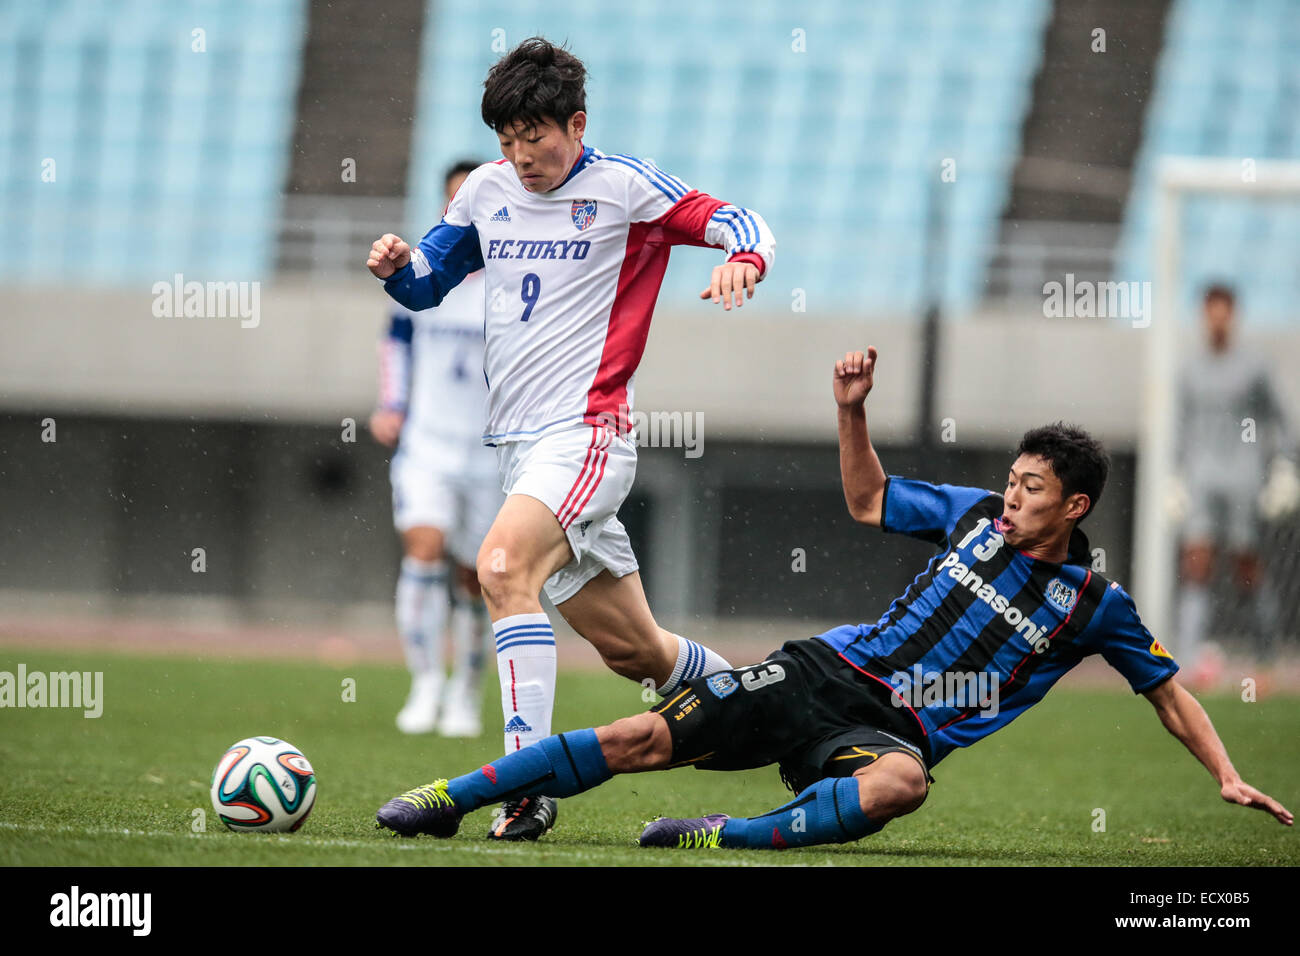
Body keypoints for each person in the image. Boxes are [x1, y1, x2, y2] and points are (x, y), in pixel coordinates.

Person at [374, 348, 1293, 849]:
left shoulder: (1095, 605)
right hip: (825, 669)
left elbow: (1168, 691)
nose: (1011, 498)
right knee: (637, 736)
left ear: (1076, 505)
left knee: (903, 785)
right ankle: (447, 796)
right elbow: (867, 499)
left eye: (1033, 490)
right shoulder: (972, 513)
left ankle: (722, 837)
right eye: (1012, 482)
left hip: (893, 728)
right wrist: (852, 413)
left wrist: (1222, 771)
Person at [366, 38, 775, 840]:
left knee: (498, 565)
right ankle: (765, 704)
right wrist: (393, 268)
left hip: (587, 434)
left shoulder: (623, 187)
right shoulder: (485, 192)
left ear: (576, 123)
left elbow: (731, 215)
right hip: (521, 450)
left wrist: (747, 256)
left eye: (536, 137)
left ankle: (524, 787)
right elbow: (426, 286)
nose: (521, 157)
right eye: (507, 140)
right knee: (639, 654)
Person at [369, 160, 501, 736]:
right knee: (422, 551)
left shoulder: (513, 275)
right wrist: (391, 404)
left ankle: (464, 694)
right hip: (427, 444)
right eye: (454, 202)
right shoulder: (419, 272)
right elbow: (395, 341)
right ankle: (424, 682)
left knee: (478, 579)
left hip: (492, 452)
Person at [1172, 284, 1298, 685]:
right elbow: (1182, 424)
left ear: (1234, 314)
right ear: (1204, 314)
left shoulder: (1255, 365)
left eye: (1224, 311)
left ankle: (1265, 660)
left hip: (1245, 477)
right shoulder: (1189, 368)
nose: (1217, 319)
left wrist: (1284, 466)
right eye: (1211, 311)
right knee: (1196, 564)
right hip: (1202, 477)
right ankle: (1190, 663)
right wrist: (1175, 475)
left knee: (1247, 567)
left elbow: (1283, 416)